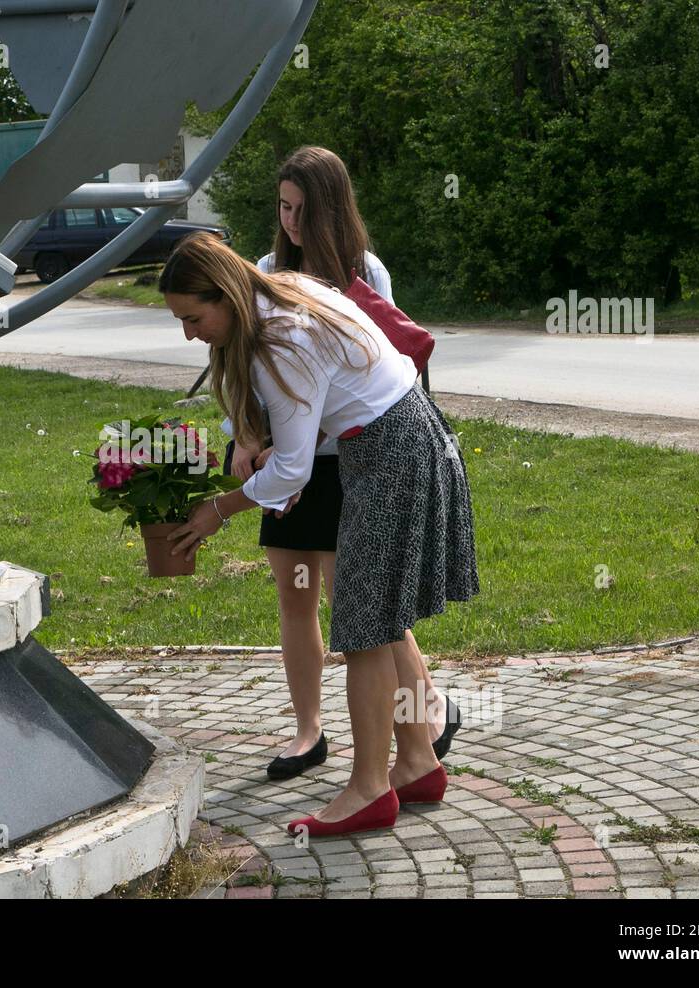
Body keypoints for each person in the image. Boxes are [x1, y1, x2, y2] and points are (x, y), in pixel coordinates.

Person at [161, 232, 479, 835]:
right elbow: (297, 435)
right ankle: (415, 762)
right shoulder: (285, 295)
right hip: (393, 443)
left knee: (362, 630)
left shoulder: (284, 341)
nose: (189, 334)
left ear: (225, 296)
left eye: (193, 318)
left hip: (394, 452)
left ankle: (368, 789)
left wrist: (219, 510)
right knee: (379, 623)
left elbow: (293, 469)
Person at [221, 146, 461, 782]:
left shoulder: (366, 272)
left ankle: (425, 719)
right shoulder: (267, 271)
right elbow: (253, 379)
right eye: (282, 207)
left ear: (331, 209)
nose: (291, 222)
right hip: (288, 460)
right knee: (293, 594)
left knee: (365, 610)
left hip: (347, 461)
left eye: (302, 208)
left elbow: (387, 363)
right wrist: (247, 435)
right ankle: (309, 732)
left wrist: (260, 474)